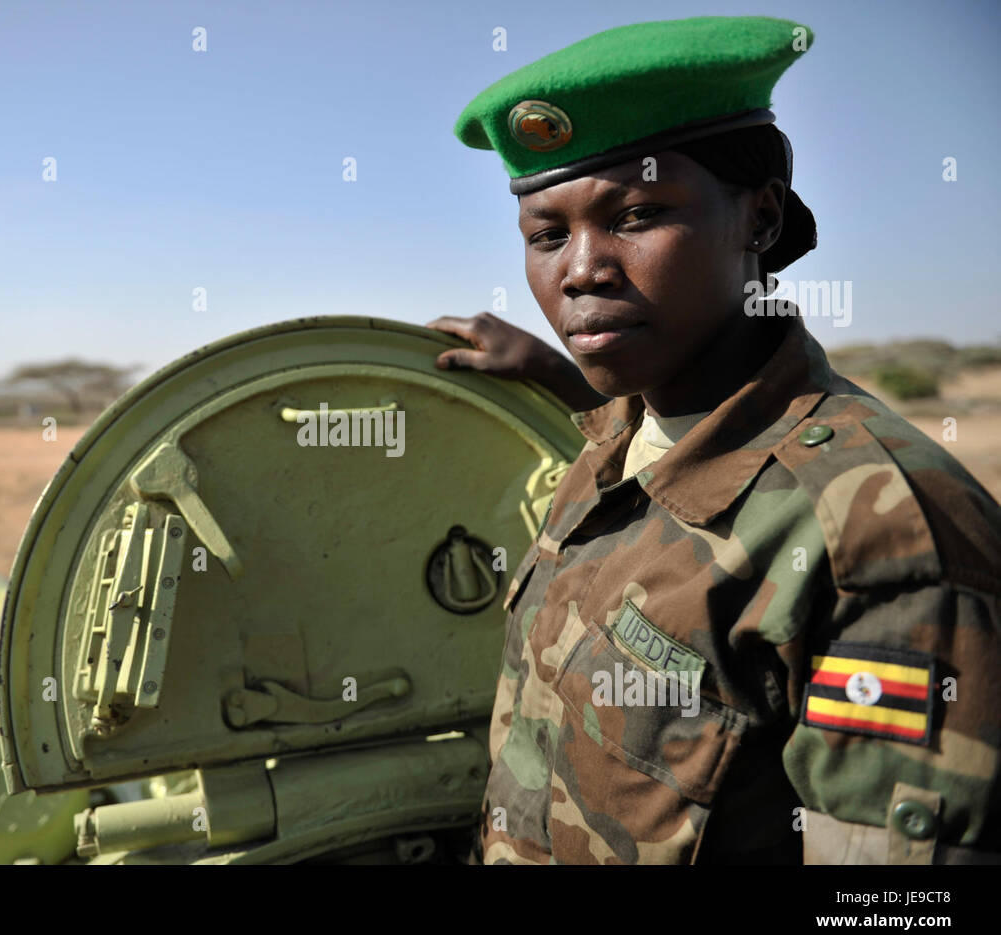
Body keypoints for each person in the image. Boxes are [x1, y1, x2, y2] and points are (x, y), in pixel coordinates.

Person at [429, 15, 1001, 864]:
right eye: (547, 235)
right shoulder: (611, 450)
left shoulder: (878, 540)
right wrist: (559, 374)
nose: (580, 268)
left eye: (637, 214)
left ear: (760, 219)